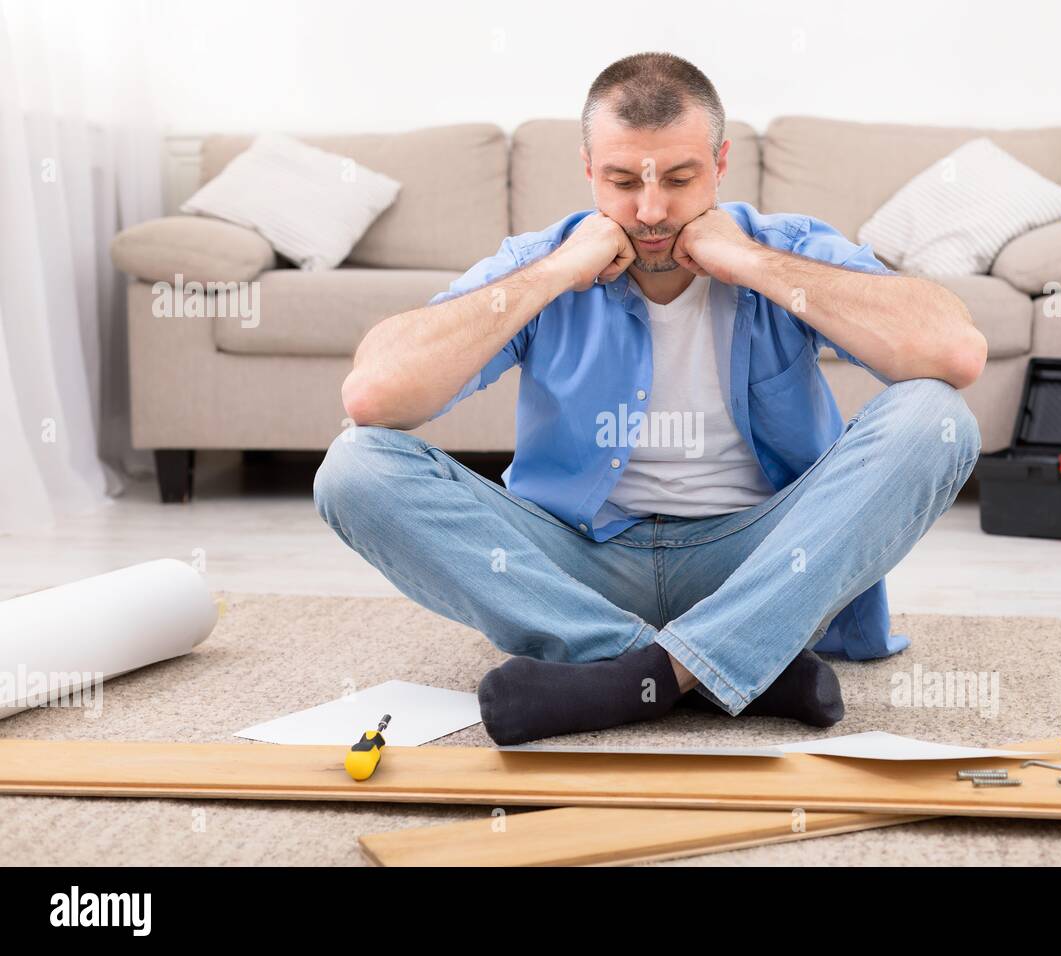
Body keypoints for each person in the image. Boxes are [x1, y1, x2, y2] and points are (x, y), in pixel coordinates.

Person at [313, 52, 987, 745]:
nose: (652, 210)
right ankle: (722, 666)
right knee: (355, 466)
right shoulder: (544, 259)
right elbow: (371, 395)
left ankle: (638, 676)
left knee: (936, 418)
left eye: (679, 177)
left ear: (721, 164)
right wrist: (557, 272)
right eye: (622, 180)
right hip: (575, 565)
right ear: (587, 171)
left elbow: (954, 352)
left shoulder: (784, 250)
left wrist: (748, 263)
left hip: (761, 563)